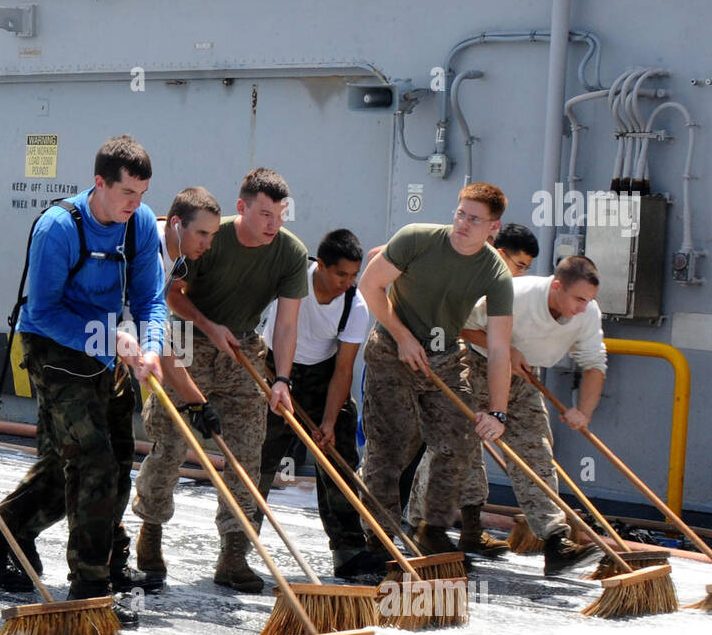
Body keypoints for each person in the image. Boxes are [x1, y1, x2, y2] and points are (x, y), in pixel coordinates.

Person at [0, 136, 166, 604]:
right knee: (91, 462)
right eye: (127, 194)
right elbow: (46, 311)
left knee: (101, 461)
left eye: (142, 194)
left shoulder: (141, 226)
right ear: (99, 183)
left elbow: (150, 299)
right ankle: (92, 583)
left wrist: (150, 349)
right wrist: (107, 338)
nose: (136, 204)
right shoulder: (59, 227)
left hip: (109, 347)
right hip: (55, 347)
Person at [132, 168, 309, 593]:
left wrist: (282, 378)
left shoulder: (289, 253)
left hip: (243, 348)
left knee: (247, 451)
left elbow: (286, 326)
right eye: (265, 214)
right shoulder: (210, 237)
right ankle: (150, 533)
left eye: (280, 215)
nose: (274, 224)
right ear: (242, 208)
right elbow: (173, 296)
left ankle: (234, 553)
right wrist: (209, 326)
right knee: (171, 443)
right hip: (188, 342)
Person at [357, 182, 514, 556]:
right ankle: (379, 540)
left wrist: (497, 411)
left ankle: (431, 527)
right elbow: (370, 285)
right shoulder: (417, 239)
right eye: (461, 213)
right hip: (392, 350)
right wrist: (403, 336)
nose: (463, 223)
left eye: (475, 219)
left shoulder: (496, 273)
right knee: (390, 449)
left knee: (459, 443)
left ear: (493, 227)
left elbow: (498, 347)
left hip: (444, 359)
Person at [458, 255, 608, 573]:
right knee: (461, 449)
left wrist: (584, 411)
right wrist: (506, 350)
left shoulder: (587, 313)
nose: (584, 307)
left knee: (536, 450)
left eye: (589, 300)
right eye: (579, 298)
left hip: (525, 376)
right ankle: (462, 530)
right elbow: (462, 325)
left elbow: (594, 363)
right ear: (556, 287)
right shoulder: (515, 294)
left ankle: (555, 542)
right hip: (477, 365)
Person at [405, 221, 540, 555]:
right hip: (432, 361)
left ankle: (467, 529)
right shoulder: (471, 273)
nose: (520, 274)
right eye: (518, 265)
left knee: (465, 447)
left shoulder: (502, 285)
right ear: (499, 250)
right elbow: (463, 328)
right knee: (428, 446)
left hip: (470, 367)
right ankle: (412, 523)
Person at [256, 228, 371, 578]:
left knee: (339, 461)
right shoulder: (290, 285)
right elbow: (276, 336)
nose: (348, 283)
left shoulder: (356, 305)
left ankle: (348, 550)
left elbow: (344, 368)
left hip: (323, 378)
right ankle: (238, 546)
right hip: (272, 369)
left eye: (354, 275)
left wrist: (330, 421)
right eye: (341, 274)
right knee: (258, 457)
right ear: (320, 265)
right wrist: (279, 382)